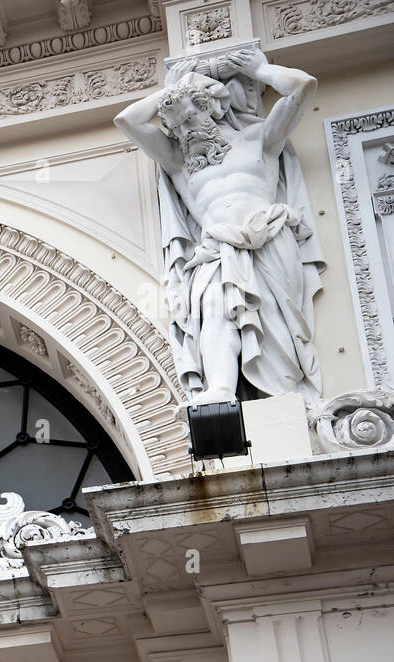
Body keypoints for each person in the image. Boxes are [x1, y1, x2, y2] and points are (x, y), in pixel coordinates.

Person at [114, 47, 324, 404]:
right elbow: (127, 121)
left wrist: (262, 69)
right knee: (213, 307)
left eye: (189, 119)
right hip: (214, 247)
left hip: (267, 237)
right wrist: (173, 91)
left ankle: (285, 397)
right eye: (175, 125)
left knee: (271, 317)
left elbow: (302, 87)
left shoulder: (260, 141)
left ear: (211, 107)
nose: (182, 130)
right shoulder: (179, 162)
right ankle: (221, 388)